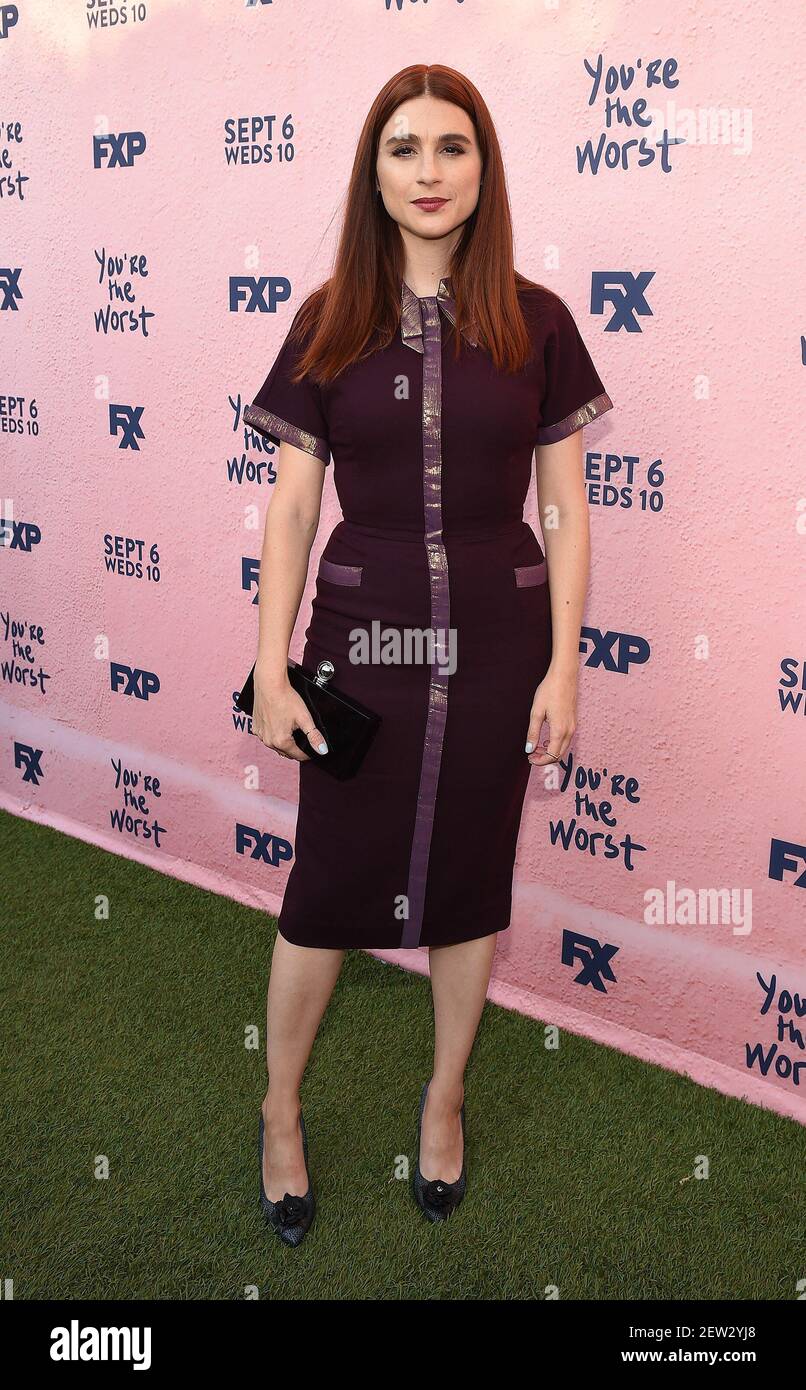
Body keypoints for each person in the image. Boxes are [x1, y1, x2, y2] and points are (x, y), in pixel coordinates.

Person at [245, 64, 613, 1245]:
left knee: (466, 886)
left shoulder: (536, 320)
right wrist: (267, 661)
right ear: (373, 171)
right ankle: (280, 1110)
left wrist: (563, 664)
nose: (427, 172)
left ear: (482, 166)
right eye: (402, 149)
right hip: (361, 641)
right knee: (319, 896)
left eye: (450, 148)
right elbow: (295, 512)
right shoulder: (328, 319)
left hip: (500, 643)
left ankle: (443, 1099)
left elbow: (563, 506)